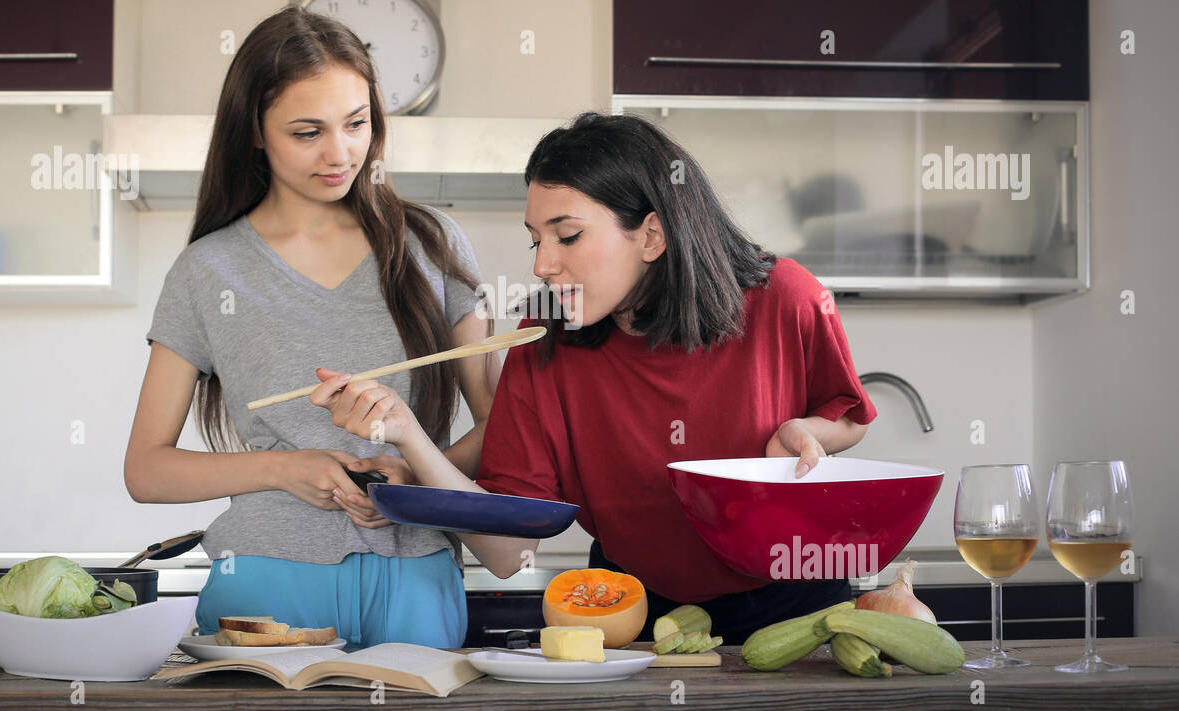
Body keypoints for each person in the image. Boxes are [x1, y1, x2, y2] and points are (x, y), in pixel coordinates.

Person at [311, 112, 878, 645]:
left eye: (568, 235)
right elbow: (508, 551)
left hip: (795, 603)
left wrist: (807, 431)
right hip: (624, 607)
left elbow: (847, 413)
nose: (542, 264)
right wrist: (409, 435)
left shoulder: (786, 296)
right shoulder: (544, 337)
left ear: (651, 236)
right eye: (538, 239)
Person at [123, 5, 530, 648]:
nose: (339, 153)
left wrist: (417, 475)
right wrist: (284, 468)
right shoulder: (207, 270)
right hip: (263, 579)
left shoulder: (431, 243)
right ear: (255, 132)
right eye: (307, 132)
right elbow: (146, 470)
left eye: (357, 124)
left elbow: (504, 424)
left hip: (416, 574)